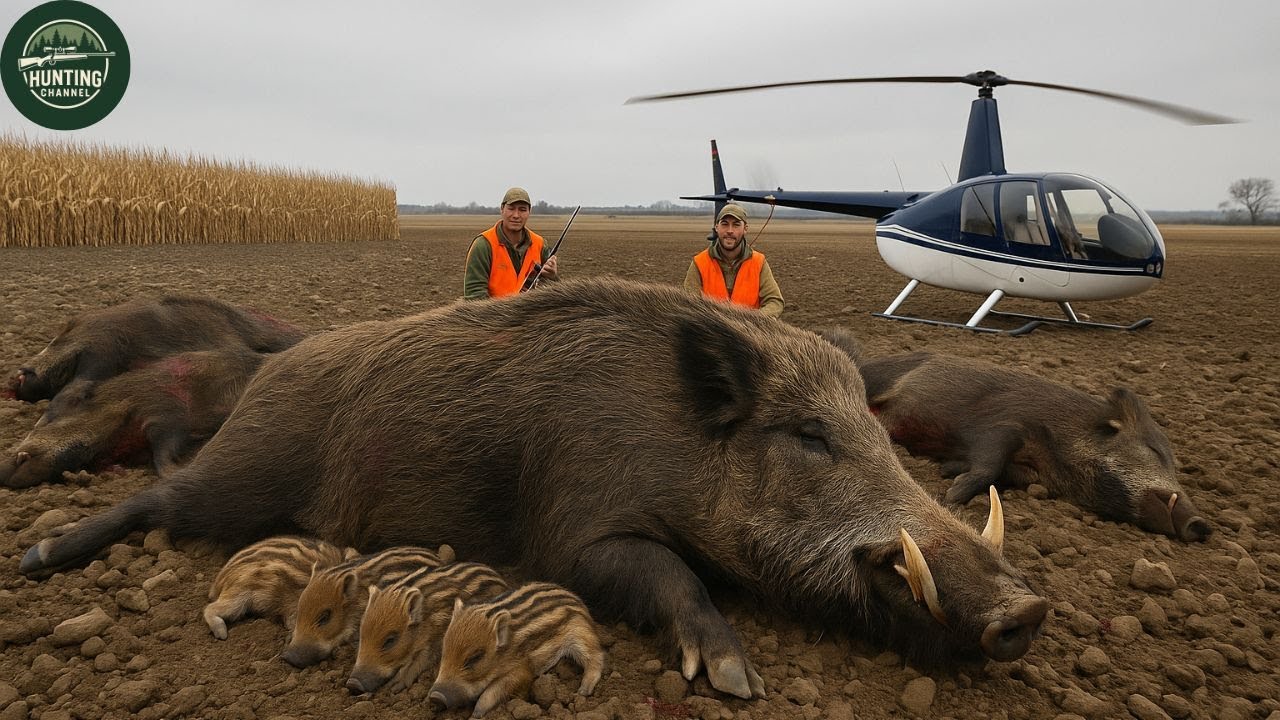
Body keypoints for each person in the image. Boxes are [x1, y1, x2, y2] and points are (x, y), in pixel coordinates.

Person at [683, 203, 783, 317]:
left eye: (736, 225)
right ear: (716, 227)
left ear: (745, 229)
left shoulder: (758, 262)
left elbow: (774, 301)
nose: (730, 230)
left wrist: (753, 320)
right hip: (710, 327)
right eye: (725, 224)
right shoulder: (700, 263)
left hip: (749, 327)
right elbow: (689, 304)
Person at [463, 187, 559, 299]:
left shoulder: (540, 244)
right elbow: (474, 295)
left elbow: (552, 295)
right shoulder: (484, 245)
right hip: (491, 310)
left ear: (529, 212)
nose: (516, 215)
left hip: (530, 310)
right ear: (502, 209)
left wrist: (552, 277)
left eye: (522, 210)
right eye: (511, 209)